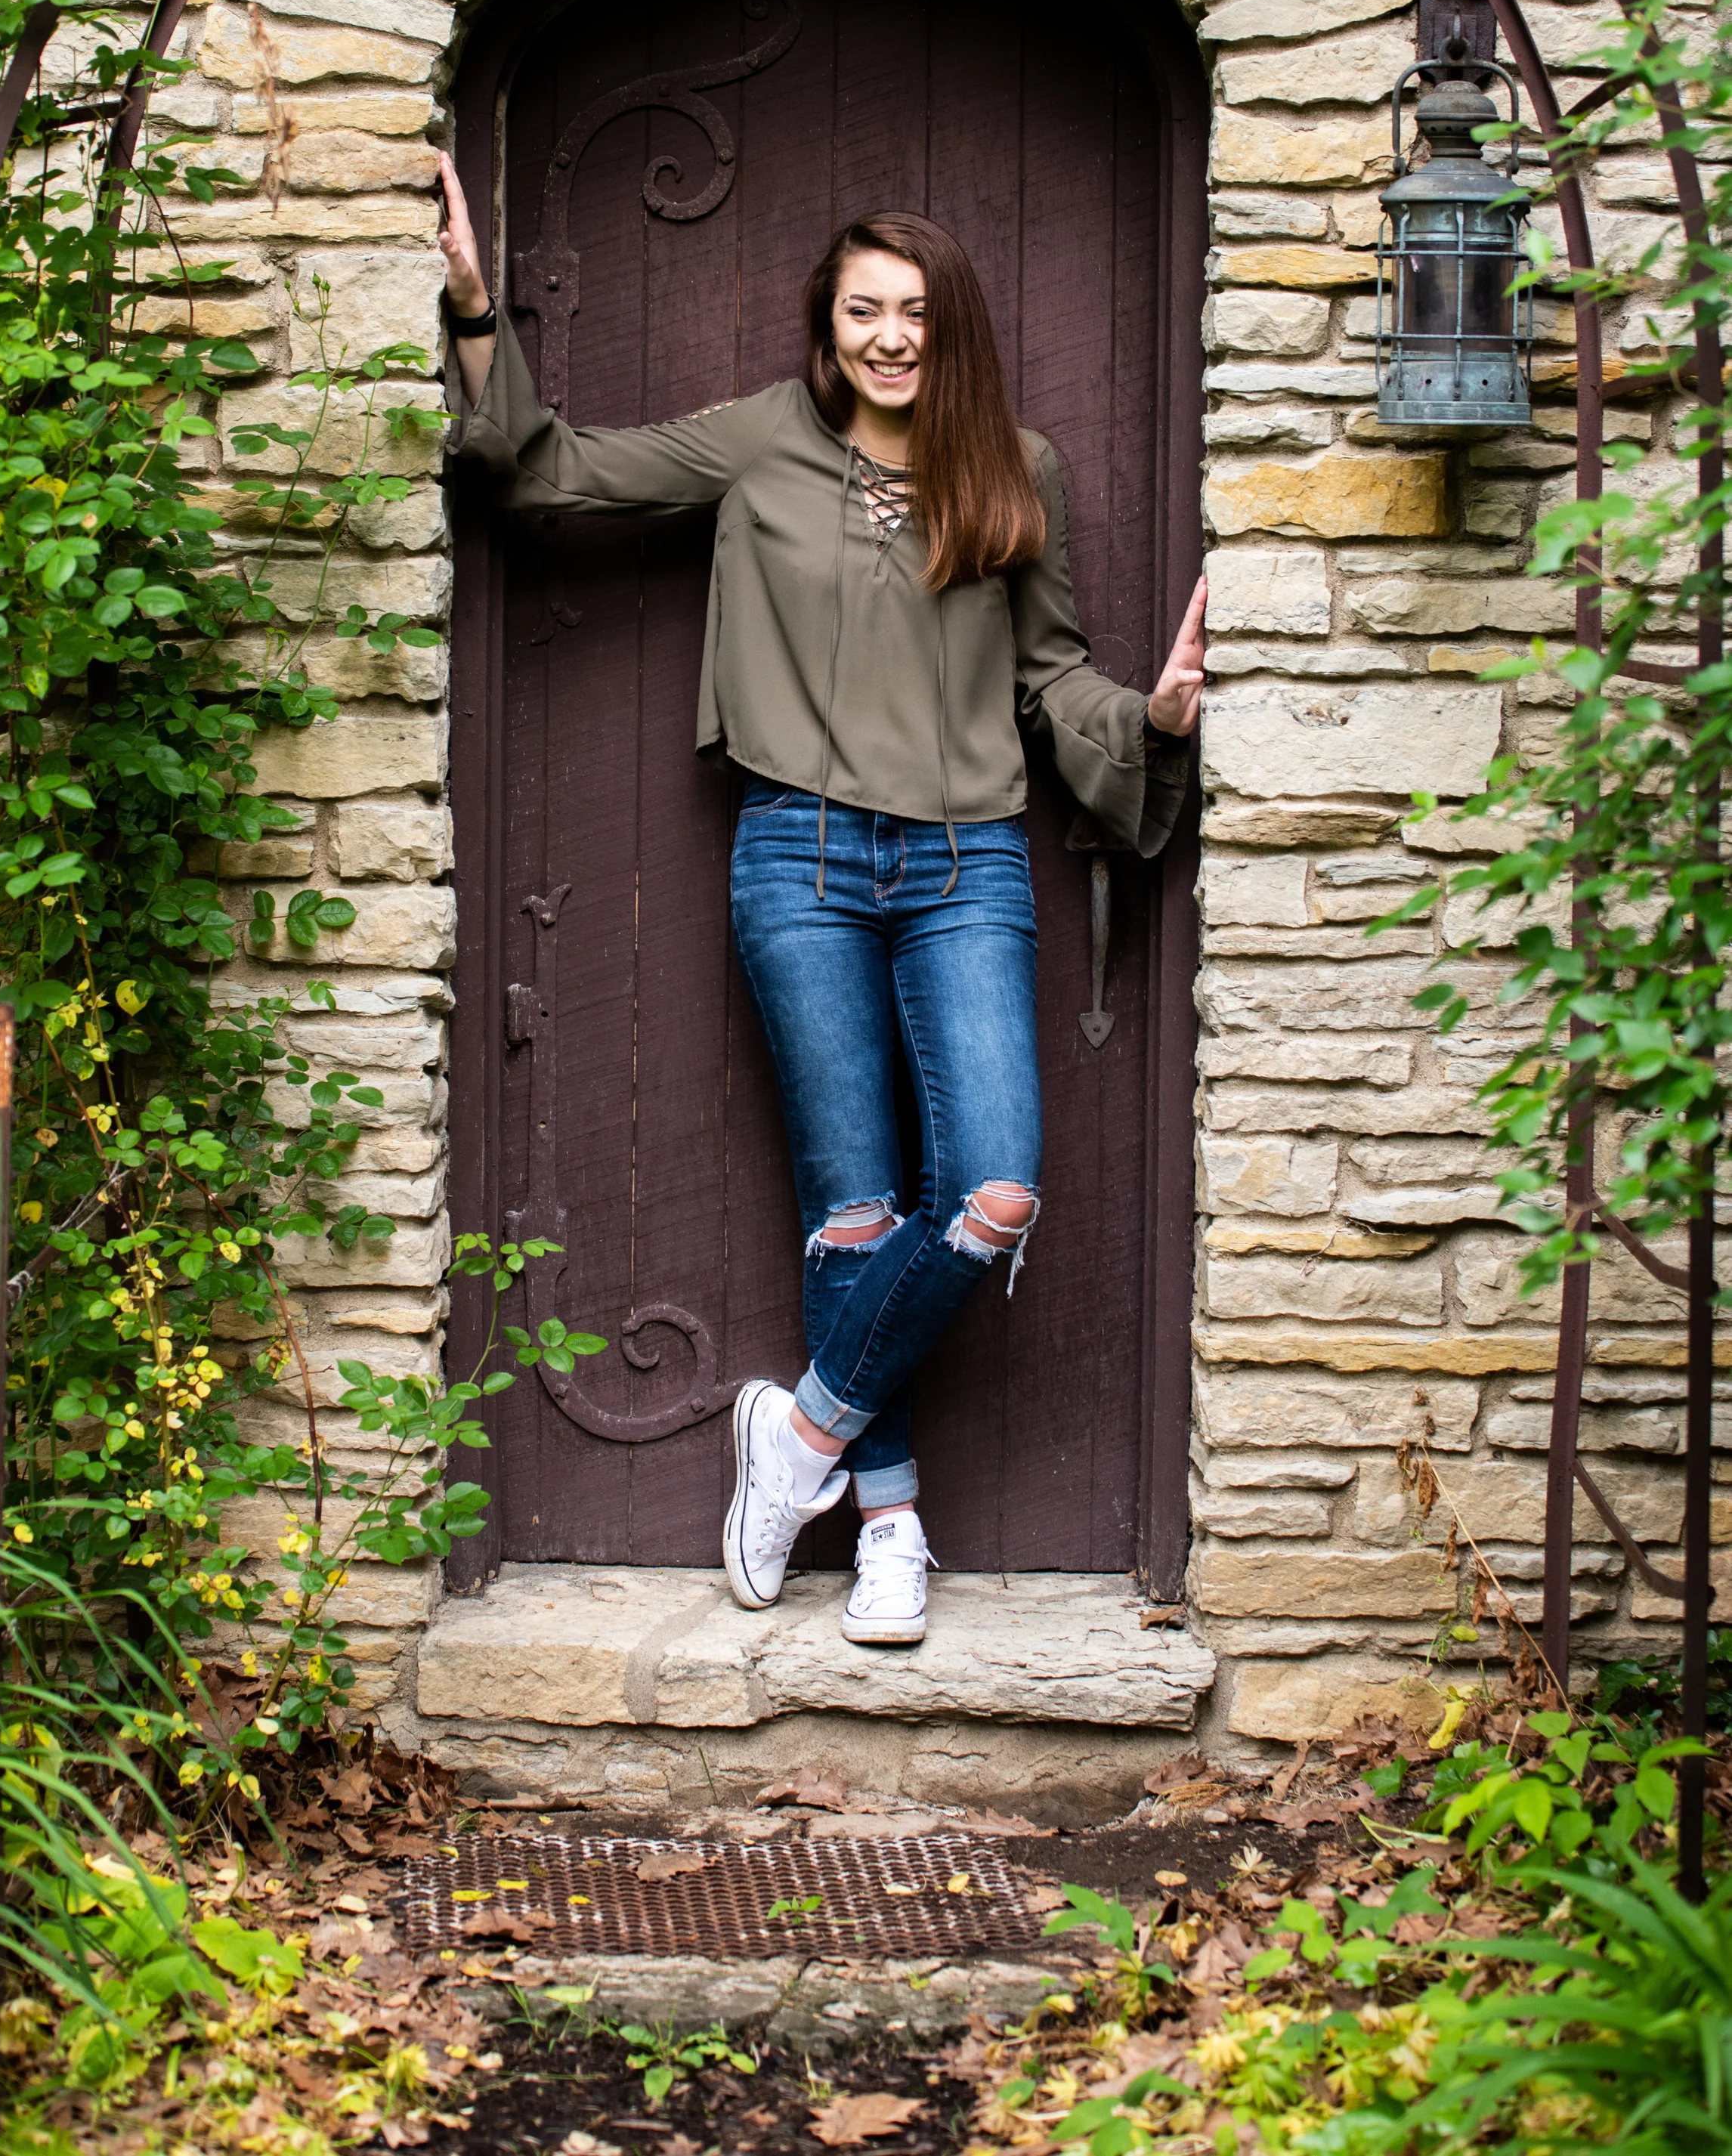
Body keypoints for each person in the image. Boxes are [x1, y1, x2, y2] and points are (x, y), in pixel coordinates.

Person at [438, 151, 1205, 1647]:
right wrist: (475, 309)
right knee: (853, 1212)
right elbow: (551, 472)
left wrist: (1155, 720)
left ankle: (796, 1438)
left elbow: (1050, 676)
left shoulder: (1015, 469)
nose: (888, 337)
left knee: (992, 1188)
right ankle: (889, 1525)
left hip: (966, 861)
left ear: (949, 323)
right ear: (828, 321)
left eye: (913, 312)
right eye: (864, 310)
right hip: (796, 853)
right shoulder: (762, 443)